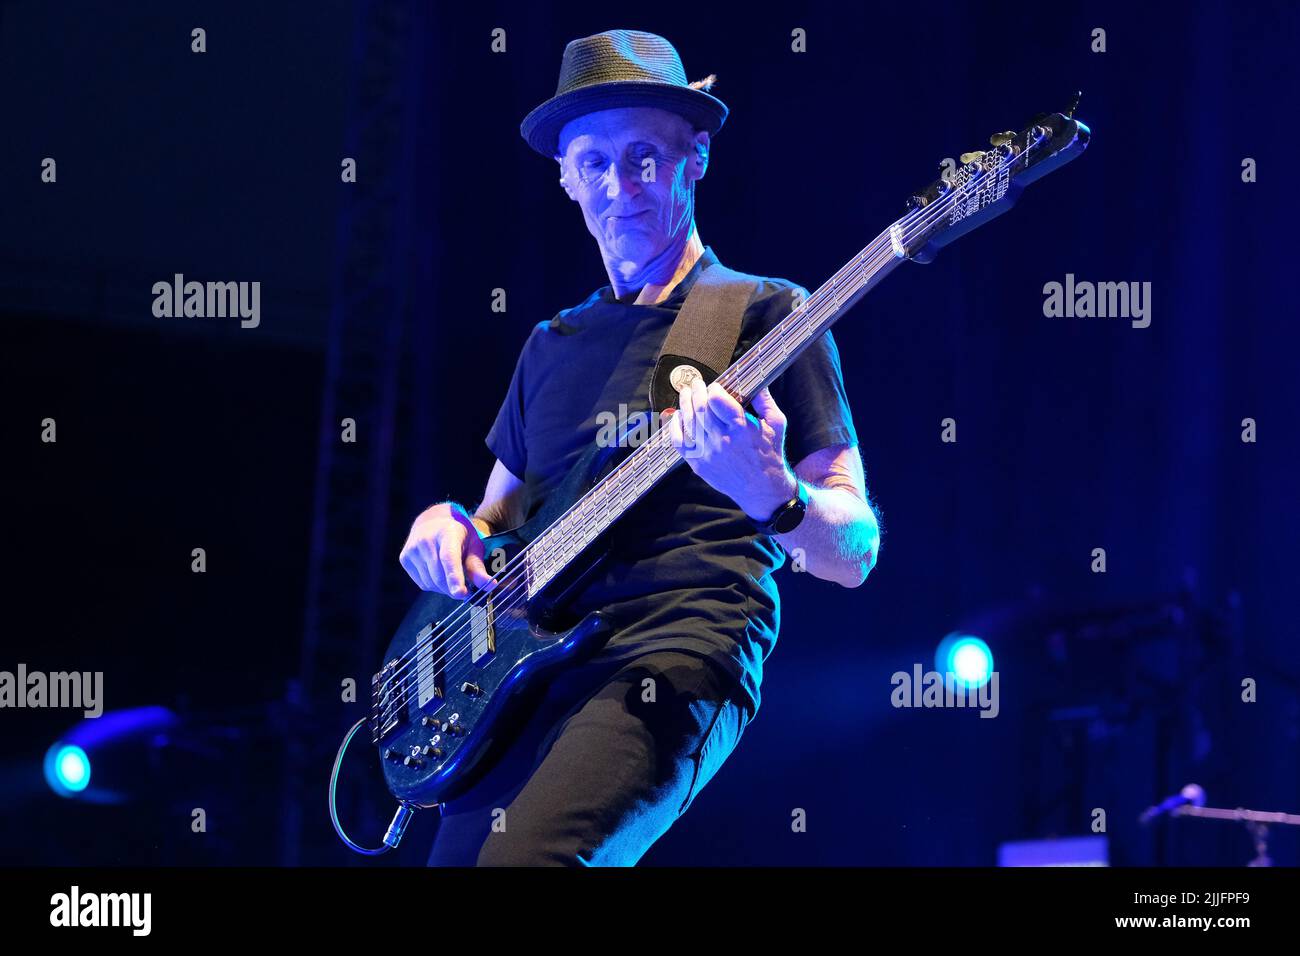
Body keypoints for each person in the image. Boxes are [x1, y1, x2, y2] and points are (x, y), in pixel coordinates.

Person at [400, 29, 881, 866]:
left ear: (696, 159)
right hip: (530, 669)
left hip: (675, 647)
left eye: (644, 157)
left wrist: (777, 495)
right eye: (594, 163)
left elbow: (855, 551)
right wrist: (448, 527)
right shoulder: (552, 342)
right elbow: (494, 519)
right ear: (564, 177)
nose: (620, 187)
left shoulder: (763, 314)